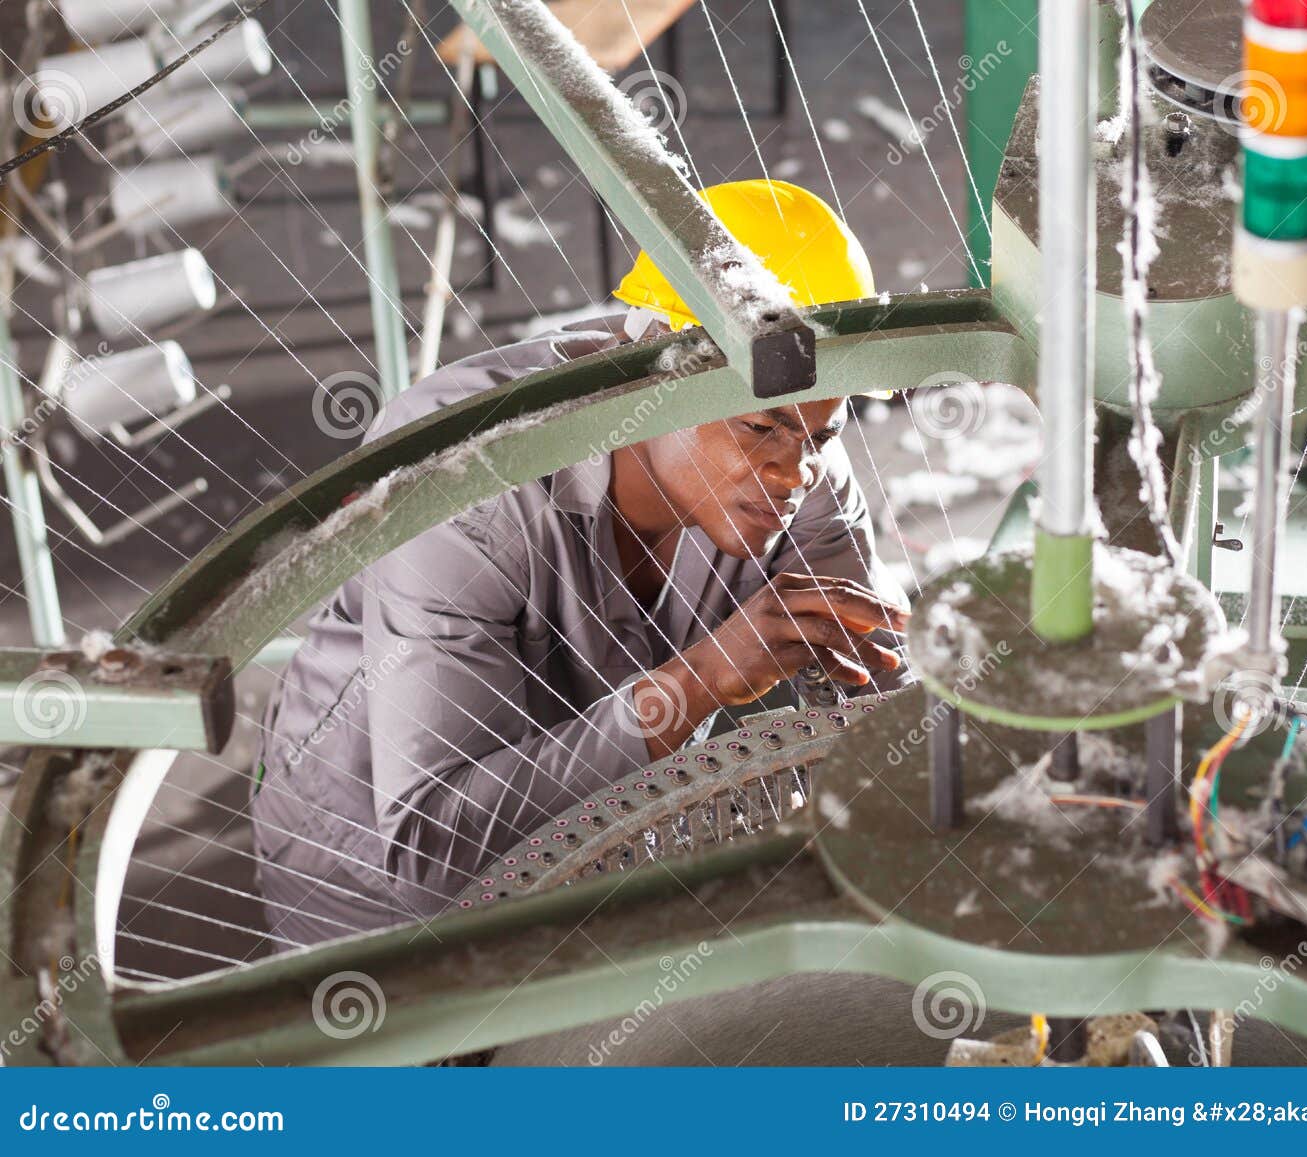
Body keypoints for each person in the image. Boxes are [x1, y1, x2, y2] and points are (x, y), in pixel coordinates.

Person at [251, 180, 910, 946]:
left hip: (599, 845)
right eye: (761, 427)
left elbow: (886, 699)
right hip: (371, 883)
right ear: (656, 369)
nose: (794, 473)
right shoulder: (470, 483)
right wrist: (697, 684)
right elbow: (432, 855)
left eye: (821, 435)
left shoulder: (800, 462)